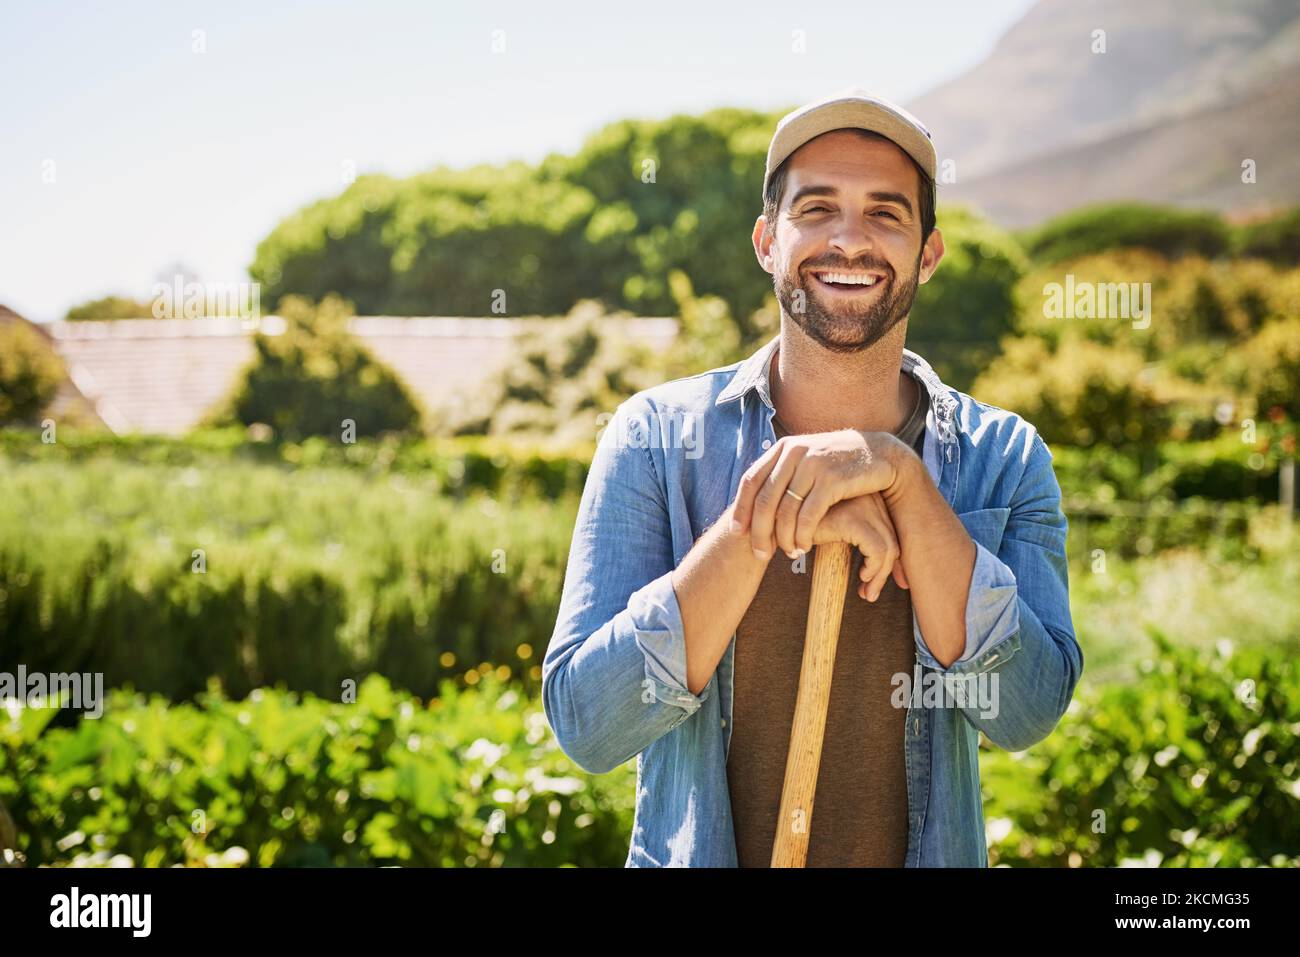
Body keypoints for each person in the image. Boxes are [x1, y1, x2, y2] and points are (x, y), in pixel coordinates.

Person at [542, 88, 1083, 867]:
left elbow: (1027, 711)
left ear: (928, 252)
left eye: (886, 213)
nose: (850, 240)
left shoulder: (1005, 457)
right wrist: (757, 524)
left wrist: (898, 476)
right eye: (818, 208)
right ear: (768, 240)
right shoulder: (656, 438)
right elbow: (588, 724)